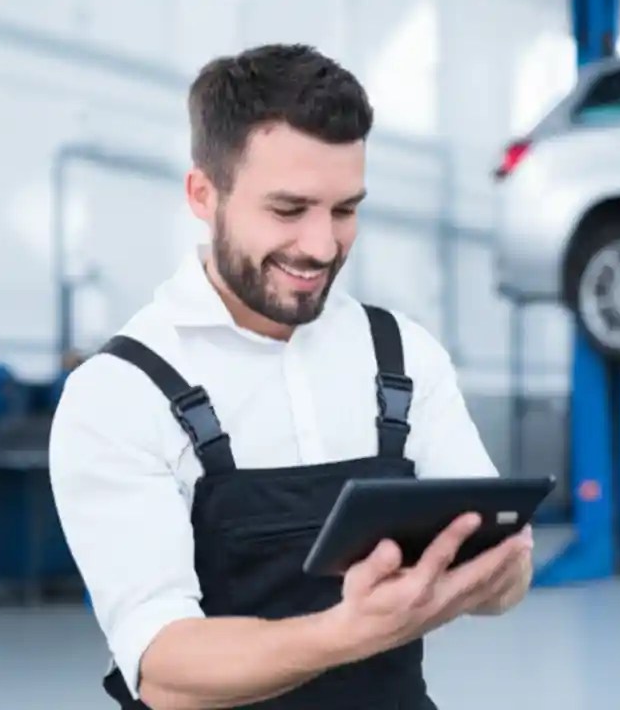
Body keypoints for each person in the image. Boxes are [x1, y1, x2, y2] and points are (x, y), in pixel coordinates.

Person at [48, 43, 534, 710]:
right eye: (288, 210)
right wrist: (349, 632)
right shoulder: (121, 391)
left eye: (344, 210)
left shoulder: (401, 356)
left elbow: (507, 577)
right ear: (203, 195)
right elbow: (162, 668)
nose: (321, 246)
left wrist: (498, 571)